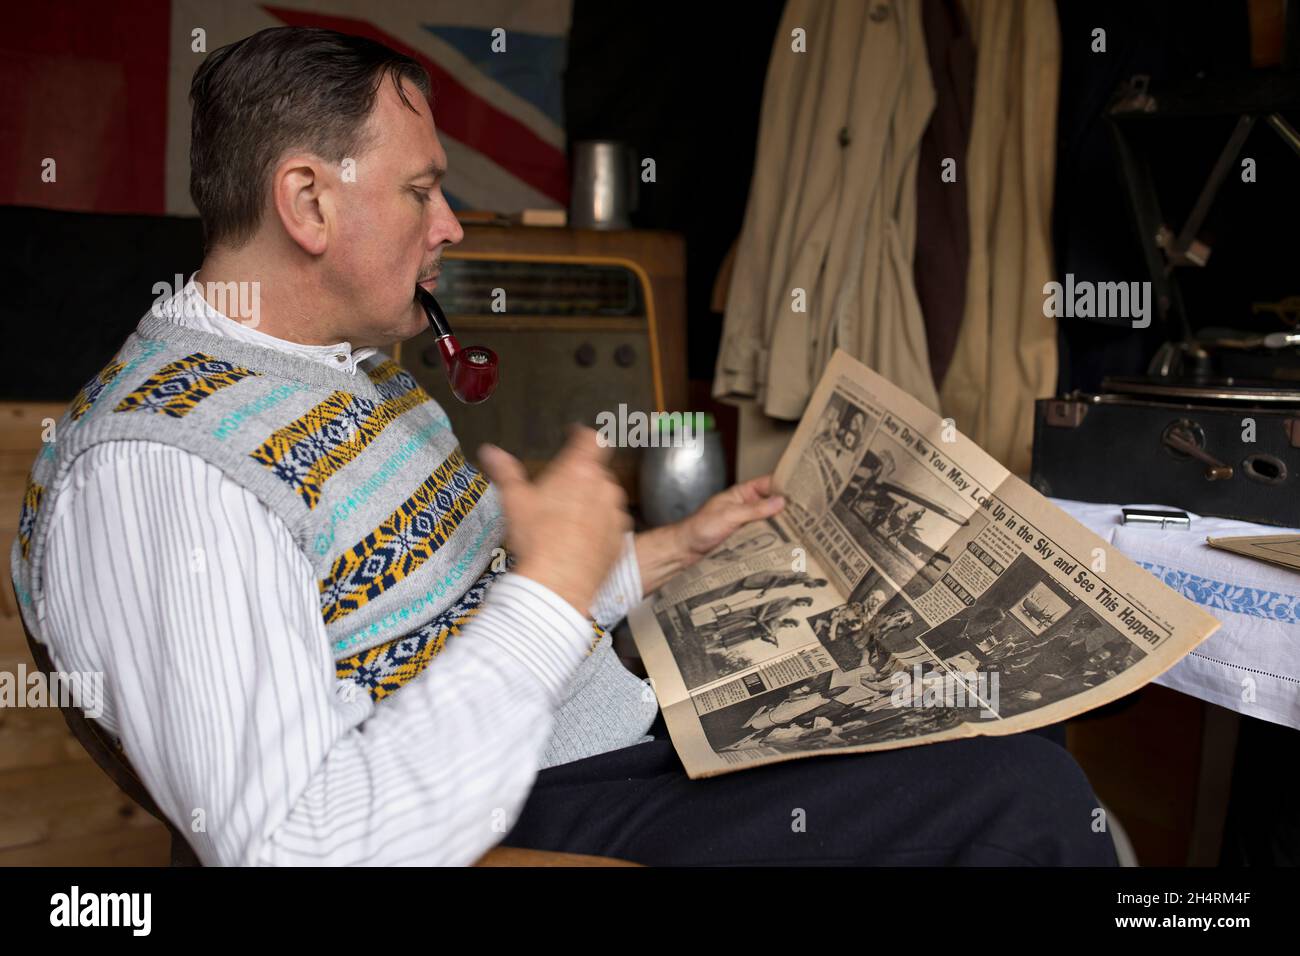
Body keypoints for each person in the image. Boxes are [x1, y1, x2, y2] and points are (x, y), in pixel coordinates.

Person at [12, 26, 1116, 867]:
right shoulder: (161, 472)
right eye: (422, 190)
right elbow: (296, 844)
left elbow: (437, 620)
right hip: (512, 809)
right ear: (305, 199)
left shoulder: (342, 367)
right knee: (1022, 797)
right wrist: (549, 589)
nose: (449, 223)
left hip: (573, 733)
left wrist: (644, 561)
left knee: (990, 698)